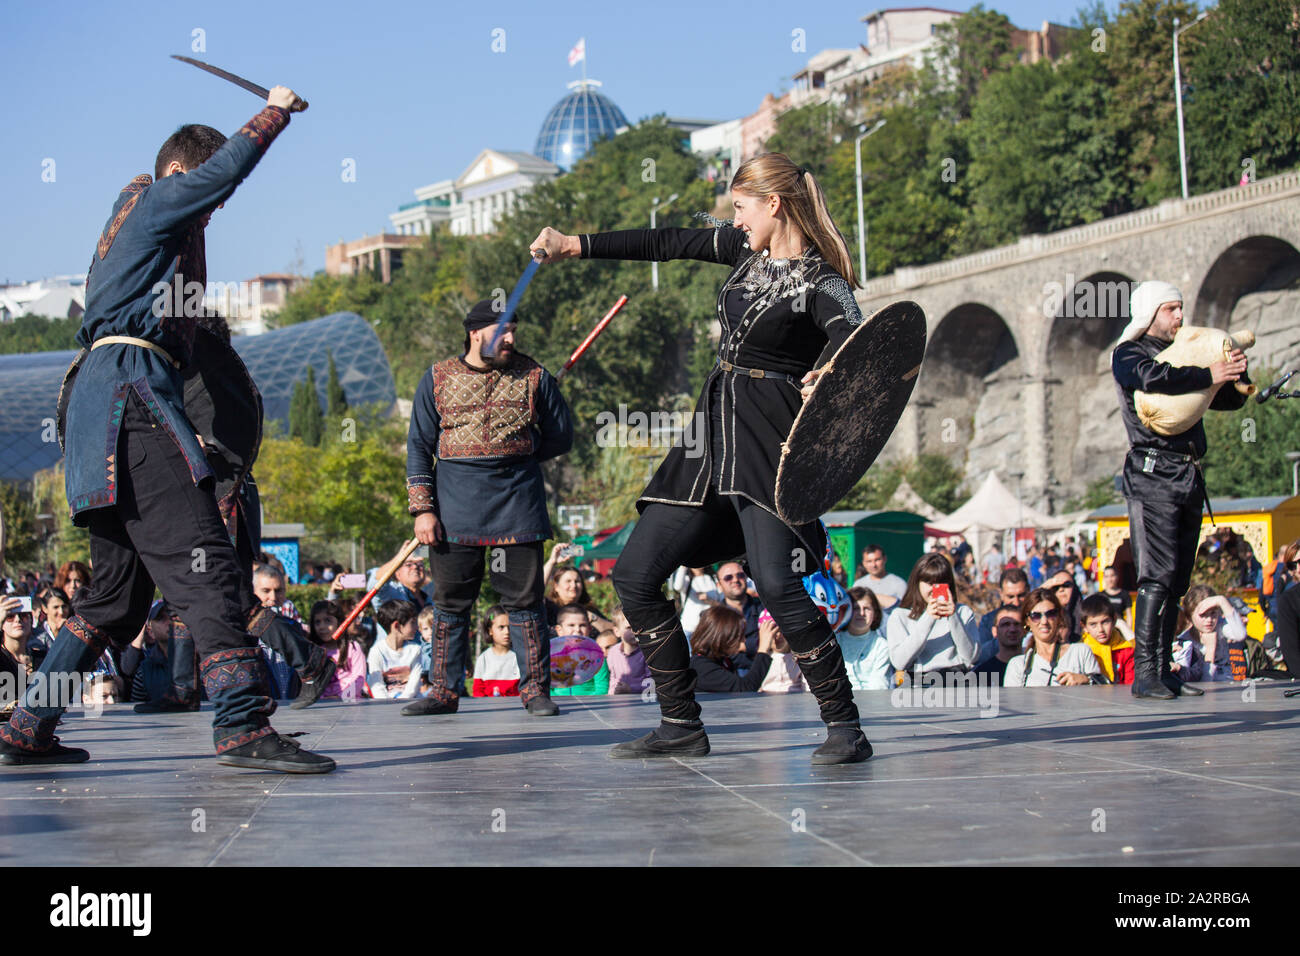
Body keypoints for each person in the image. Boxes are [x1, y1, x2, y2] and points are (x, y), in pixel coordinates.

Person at [1, 89, 335, 772]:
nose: (211, 210)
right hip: (132, 404)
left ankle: (28, 723)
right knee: (209, 569)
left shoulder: (130, 220)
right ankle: (243, 724)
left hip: (98, 417)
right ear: (183, 174)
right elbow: (221, 172)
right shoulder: (158, 199)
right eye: (206, 195)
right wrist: (273, 112)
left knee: (113, 602)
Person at [532, 153, 875, 763]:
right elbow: (664, 240)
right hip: (708, 442)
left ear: (774, 204)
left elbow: (857, 340)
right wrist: (574, 244)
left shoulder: (824, 284)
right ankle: (680, 723)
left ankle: (845, 727)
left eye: (741, 206)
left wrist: (829, 372)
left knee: (777, 583)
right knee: (635, 576)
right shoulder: (744, 254)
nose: (734, 219)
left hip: (771, 444)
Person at [403, 297, 574, 719]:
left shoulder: (535, 376)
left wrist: (525, 445)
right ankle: (443, 691)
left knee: (524, 603)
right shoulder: (437, 377)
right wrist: (422, 510)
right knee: (450, 602)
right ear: (475, 333)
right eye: (503, 331)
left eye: (514, 329)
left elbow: (561, 435)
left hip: (517, 508)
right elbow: (419, 447)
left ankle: (535, 691)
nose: (511, 339)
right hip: (453, 511)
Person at [1112, 280, 1250, 700]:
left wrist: (1234, 376)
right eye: (1171, 308)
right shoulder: (1129, 353)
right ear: (1151, 312)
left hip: (1187, 473)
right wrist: (1210, 373)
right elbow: (1154, 379)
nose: (1179, 316)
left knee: (1176, 580)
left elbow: (1218, 399)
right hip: (1152, 473)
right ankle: (1146, 673)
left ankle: (1165, 670)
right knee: (1155, 574)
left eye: (1180, 308)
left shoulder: (1185, 355)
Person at [886, 554, 981, 680]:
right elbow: (899, 662)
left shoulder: (963, 612)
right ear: (918, 582)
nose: (934, 589)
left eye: (940, 583)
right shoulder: (900, 616)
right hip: (919, 684)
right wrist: (928, 618)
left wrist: (953, 617)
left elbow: (971, 657)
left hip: (957, 681)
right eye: (929, 583)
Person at [1004, 589, 1101, 687]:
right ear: (1027, 621)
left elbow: (1103, 693)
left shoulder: (1080, 652)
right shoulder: (1018, 665)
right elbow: (1013, 702)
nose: (1044, 621)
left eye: (1050, 614)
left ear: (1059, 617)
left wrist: (1086, 680)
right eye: (1036, 615)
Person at [1170, 585, 1247, 683]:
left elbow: (1240, 635)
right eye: (1203, 615)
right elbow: (1204, 682)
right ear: (1189, 617)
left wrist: (1222, 601)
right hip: (1205, 690)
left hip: (1227, 683)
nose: (1209, 620)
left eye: (1213, 613)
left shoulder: (1220, 626)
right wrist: (1210, 649)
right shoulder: (1185, 641)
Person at [689, 606, 774, 693]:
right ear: (722, 636)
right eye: (739, 636)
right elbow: (745, 688)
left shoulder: (723, 660)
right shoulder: (701, 667)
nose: (744, 640)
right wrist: (763, 650)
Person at [306, 599, 366, 700]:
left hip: (350, 704)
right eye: (317, 622)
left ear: (339, 622)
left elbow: (358, 679)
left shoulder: (352, 648)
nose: (322, 626)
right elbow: (311, 684)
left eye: (328, 621)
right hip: (322, 705)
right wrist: (322, 699)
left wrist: (341, 698)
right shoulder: (313, 651)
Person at [367, 600, 423, 700]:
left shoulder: (415, 650)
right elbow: (376, 684)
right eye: (413, 622)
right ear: (396, 626)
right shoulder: (376, 651)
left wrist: (402, 701)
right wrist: (387, 705)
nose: (417, 627)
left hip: (411, 701)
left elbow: (414, 683)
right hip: (384, 705)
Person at [551, 605, 610, 696]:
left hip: (591, 705)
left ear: (589, 629)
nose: (577, 630)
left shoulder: (596, 657)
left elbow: (602, 689)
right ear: (559, 630)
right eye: (571, 625)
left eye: (582, 625)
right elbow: (546, 688)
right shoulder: (550, 657)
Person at [839, 587, 891, 690]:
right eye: (856, 608)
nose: (861, 613)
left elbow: (879, 684)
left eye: (866, 608)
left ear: (875, 613)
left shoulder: (881, 646)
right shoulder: (834, 642)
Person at [975, 568, 1029, 665]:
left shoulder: (1037, 617)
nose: (1016, 602)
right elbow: (982, 655)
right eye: (1010, 596)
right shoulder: (988, 620)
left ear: (1028, 591)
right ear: (1001, 594)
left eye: (1021, 595)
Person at [1079, 593, 1135, 685]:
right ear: (1084, 627)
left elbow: (1130, 684)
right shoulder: (1081, 652)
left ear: (1114, 621)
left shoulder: (1126, 651)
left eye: (1105, 622)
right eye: (1093, 624)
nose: (1100, 629)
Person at [714, 561, 763, 662]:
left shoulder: (765, 609)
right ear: (719, 585)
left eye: (740, 575)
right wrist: (759, 644)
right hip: (730, 674)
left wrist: (743, 646)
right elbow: (716, 649)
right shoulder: (712, 617)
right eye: (728, 577)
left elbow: (777, 641)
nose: (735, 580)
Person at [471, 606, 521, 697]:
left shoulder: (519, 657)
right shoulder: (483, 659)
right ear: (490, 630)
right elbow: (478, 691)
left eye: (509, 627)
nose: (507, 632)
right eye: (501, 627)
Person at [973, 605, 1026, 684]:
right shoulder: (981, 674)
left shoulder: (1034, 667)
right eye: (1006, 624)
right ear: (994, 631)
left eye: (1017, 624)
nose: (1012, 629)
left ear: (1025, 629)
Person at [606, 605, 651, 695]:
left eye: (639, 627)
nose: (635, 631)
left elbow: (652, 683)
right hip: (620, 702)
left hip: (642, 702)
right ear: (617, 631)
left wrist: (631, 689)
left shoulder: (647, 652)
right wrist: (611, 694)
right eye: (629, 628)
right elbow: (613, 679)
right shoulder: (613, 653)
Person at [851, 544, 906, 610]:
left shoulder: (899, 584)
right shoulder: (859, 585)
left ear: (885, 559)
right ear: (864, 563)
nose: (874, 565)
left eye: (877, 560)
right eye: (869, 561)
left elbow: (905, 611)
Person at [1042, 570, 1083, 643]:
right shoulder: (1044, 616)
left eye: (1066, 585)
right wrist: (1042, 590)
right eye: (1056, 587)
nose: (1061, 589)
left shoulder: (1085, 613)